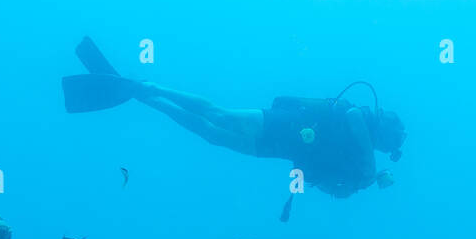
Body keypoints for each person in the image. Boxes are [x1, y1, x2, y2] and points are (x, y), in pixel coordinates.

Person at [62, 41, 406, 206]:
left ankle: (142, 96)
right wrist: (368, 167)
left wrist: (358, 183)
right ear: (384, 132)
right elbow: (354, 117)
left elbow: (331, 186)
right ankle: (151, 86)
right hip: (286, 124)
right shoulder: (361, 119)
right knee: (219, 114)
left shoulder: (361, 162)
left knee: (211, 135)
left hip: (277, 149)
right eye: (386, 143)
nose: (382, 149)